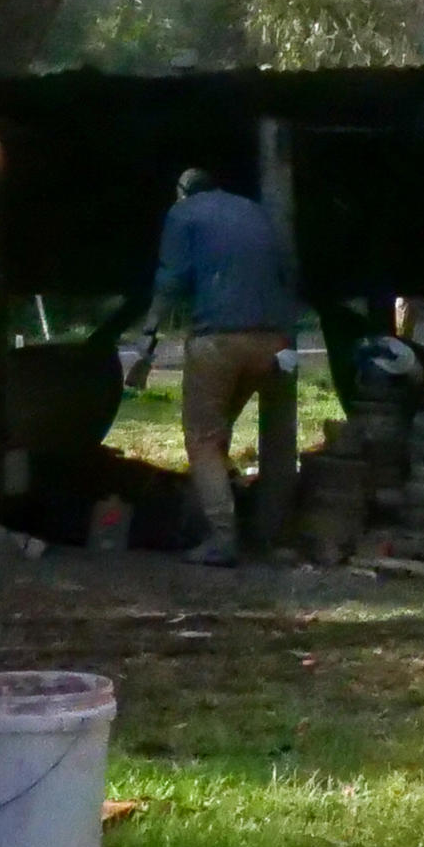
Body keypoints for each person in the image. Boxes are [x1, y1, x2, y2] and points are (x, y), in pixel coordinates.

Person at [131, 168, 304, 566]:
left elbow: (172, 278)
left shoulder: (184, 213)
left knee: (202, 439)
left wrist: (149, 333)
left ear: (183, 191)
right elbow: (285, 272)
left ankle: (222, 539)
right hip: (272, 343)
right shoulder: (256, 211)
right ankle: (246, 522)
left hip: (219, 341)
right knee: (220, 427)